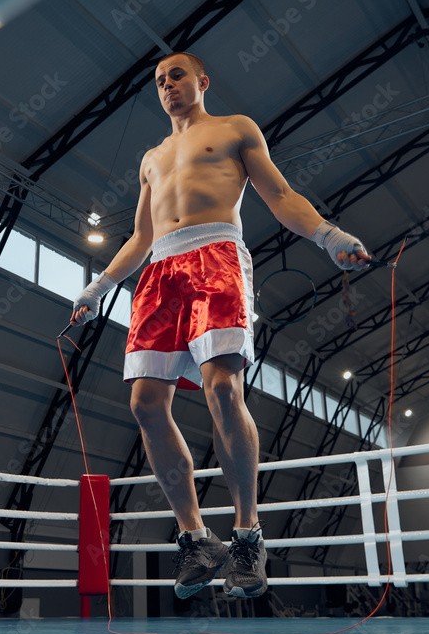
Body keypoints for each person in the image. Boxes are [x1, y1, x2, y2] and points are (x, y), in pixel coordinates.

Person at [71, 52, 370, 600]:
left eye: (177, 75)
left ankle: (247, 536)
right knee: (143, 404)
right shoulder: (151, 158)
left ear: (202, 81)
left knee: (223, 389)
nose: (167, 85)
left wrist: (329, 236)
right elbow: (140, 237)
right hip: (159, 272)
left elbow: (280, 196)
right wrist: (97, 288)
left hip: (216, 257)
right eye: (159, 81)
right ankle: (195, 538)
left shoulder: (235, 129)